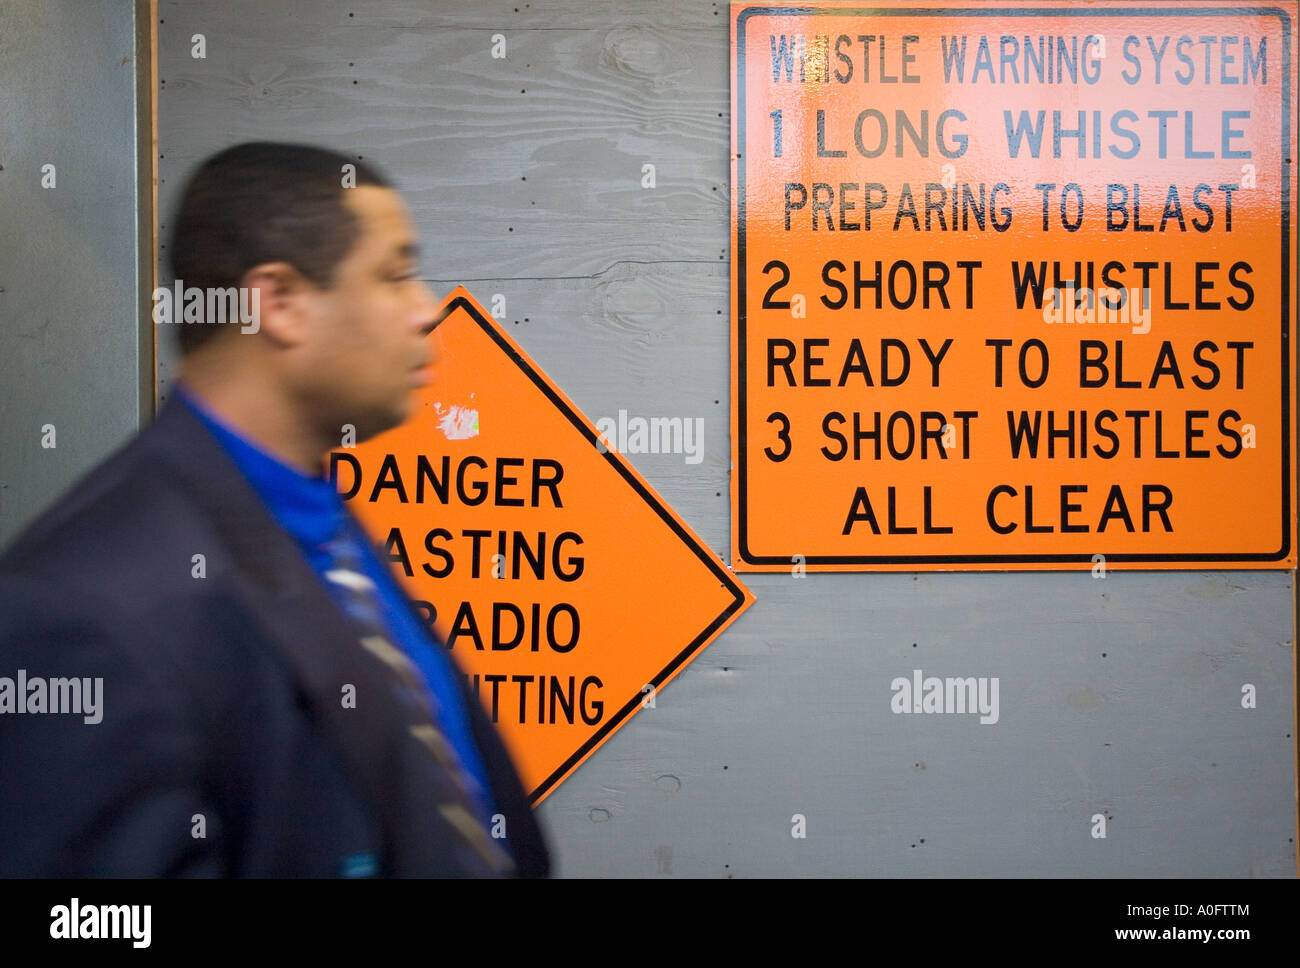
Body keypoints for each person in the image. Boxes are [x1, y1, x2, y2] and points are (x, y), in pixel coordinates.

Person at [0, 142, 549, 877]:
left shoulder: (321, 523)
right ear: (280, 303)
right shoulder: (86, 607)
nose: (426, 311)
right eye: (393, 275)